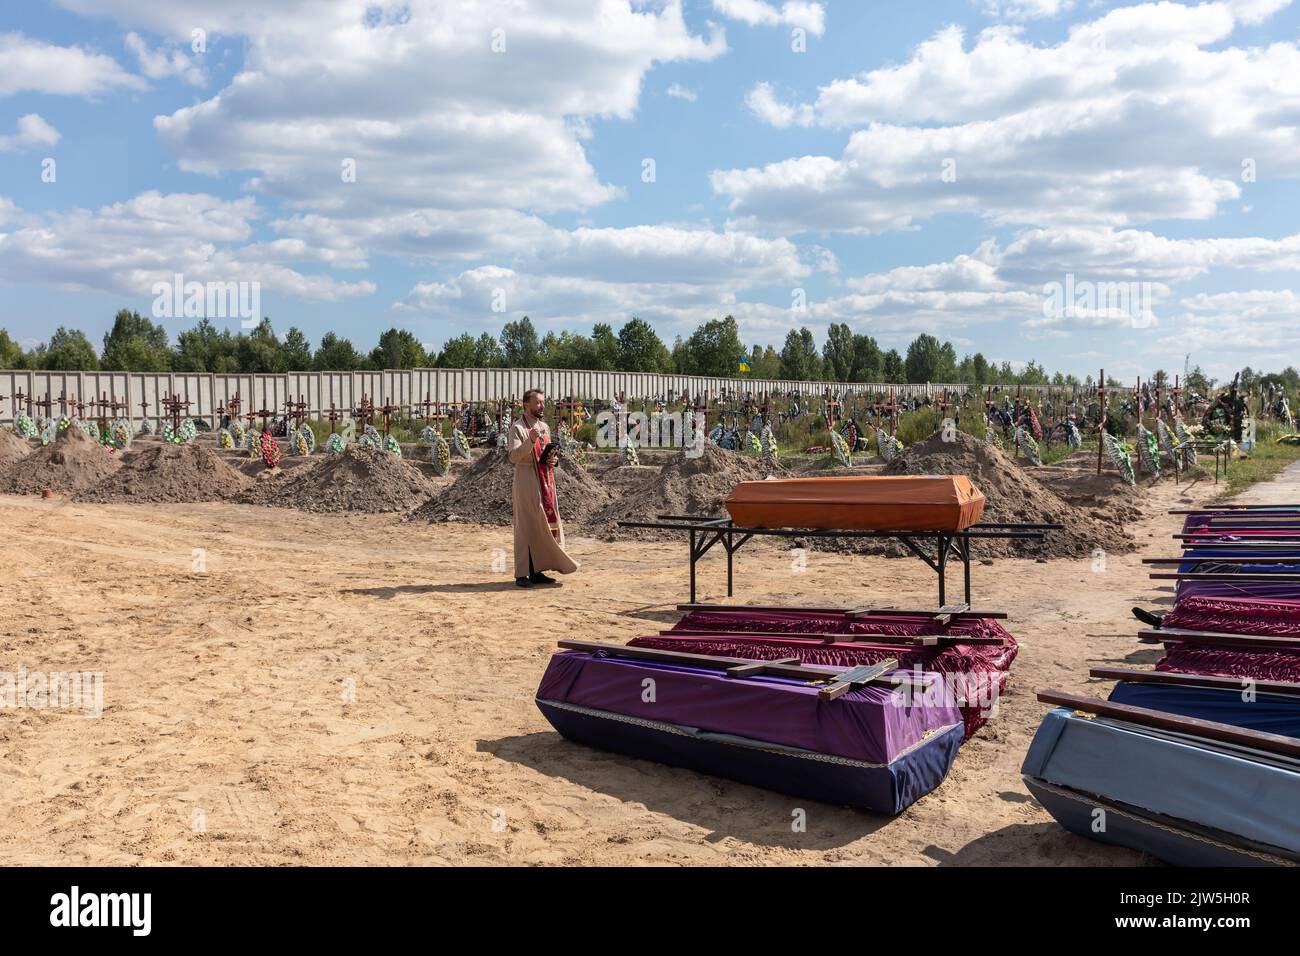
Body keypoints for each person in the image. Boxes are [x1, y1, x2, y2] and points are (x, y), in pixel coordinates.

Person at [508, 389, 579, 588]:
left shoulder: (544, 427)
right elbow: (513, 457)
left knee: (542, 526)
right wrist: (530, 440)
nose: (542, 406)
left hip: (545, 480)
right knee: (526, 526)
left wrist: (553, 460)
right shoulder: (518, 428)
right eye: (537, 403)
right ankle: (522, 573)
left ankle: (537, 570)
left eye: (542, 402)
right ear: (526, 405)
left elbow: (546, 454)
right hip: (526, 479)